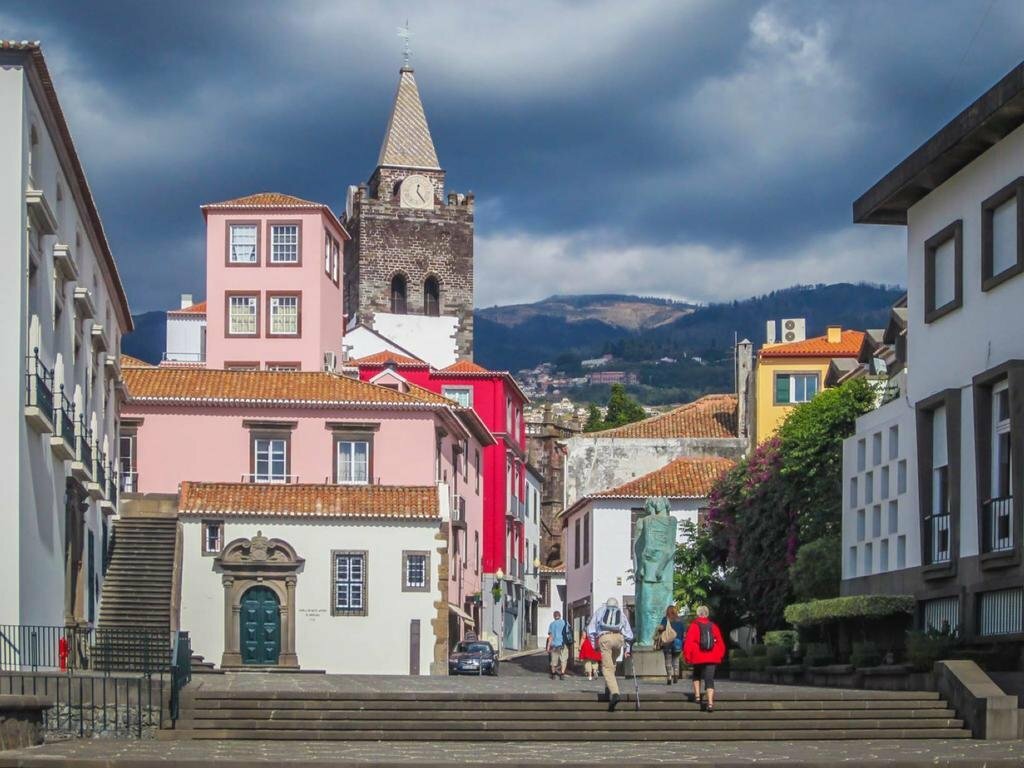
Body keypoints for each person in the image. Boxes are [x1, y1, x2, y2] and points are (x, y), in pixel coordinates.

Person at [586, 597, 634, 712]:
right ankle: (608, 689)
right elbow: (629, 634)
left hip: (605, 638)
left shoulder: (600, 611)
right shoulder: (621, 613)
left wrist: (594, 645)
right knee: (612, 665)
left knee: (606, 668)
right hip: (618, 639)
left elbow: (591, 630)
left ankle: (615, 693)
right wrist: (627, 649)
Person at [682, 605, 726, 712]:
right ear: (707, 614)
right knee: (709, 679)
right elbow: (720, 642)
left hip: (698, 656)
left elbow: (688, 642)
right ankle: (710, 703)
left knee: (696, 674)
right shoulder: (713, 626)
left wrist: (687, 656)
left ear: (698, 614)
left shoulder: (693, 626)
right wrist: (719, 655)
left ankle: (697, 696)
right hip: (712, 656)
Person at [656, 604, 686, 685]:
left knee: (668, 660)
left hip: (667, 643)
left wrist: (659, 629)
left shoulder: (665, 619)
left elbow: (661, 628)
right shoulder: (680, 621)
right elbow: (684, 633)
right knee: (676, 660)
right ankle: (676, 675)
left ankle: (669, 677)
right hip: (678, 643)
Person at [546, 611, 569, 679]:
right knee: (563, 659)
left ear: (554, 616)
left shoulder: (552, 624)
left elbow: (551, 636)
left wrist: (548, 646)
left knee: (554, 660)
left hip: (555, 645)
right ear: (560, 615)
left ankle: (553, 674)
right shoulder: (565, 623)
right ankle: (562, 673)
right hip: (563, 644)